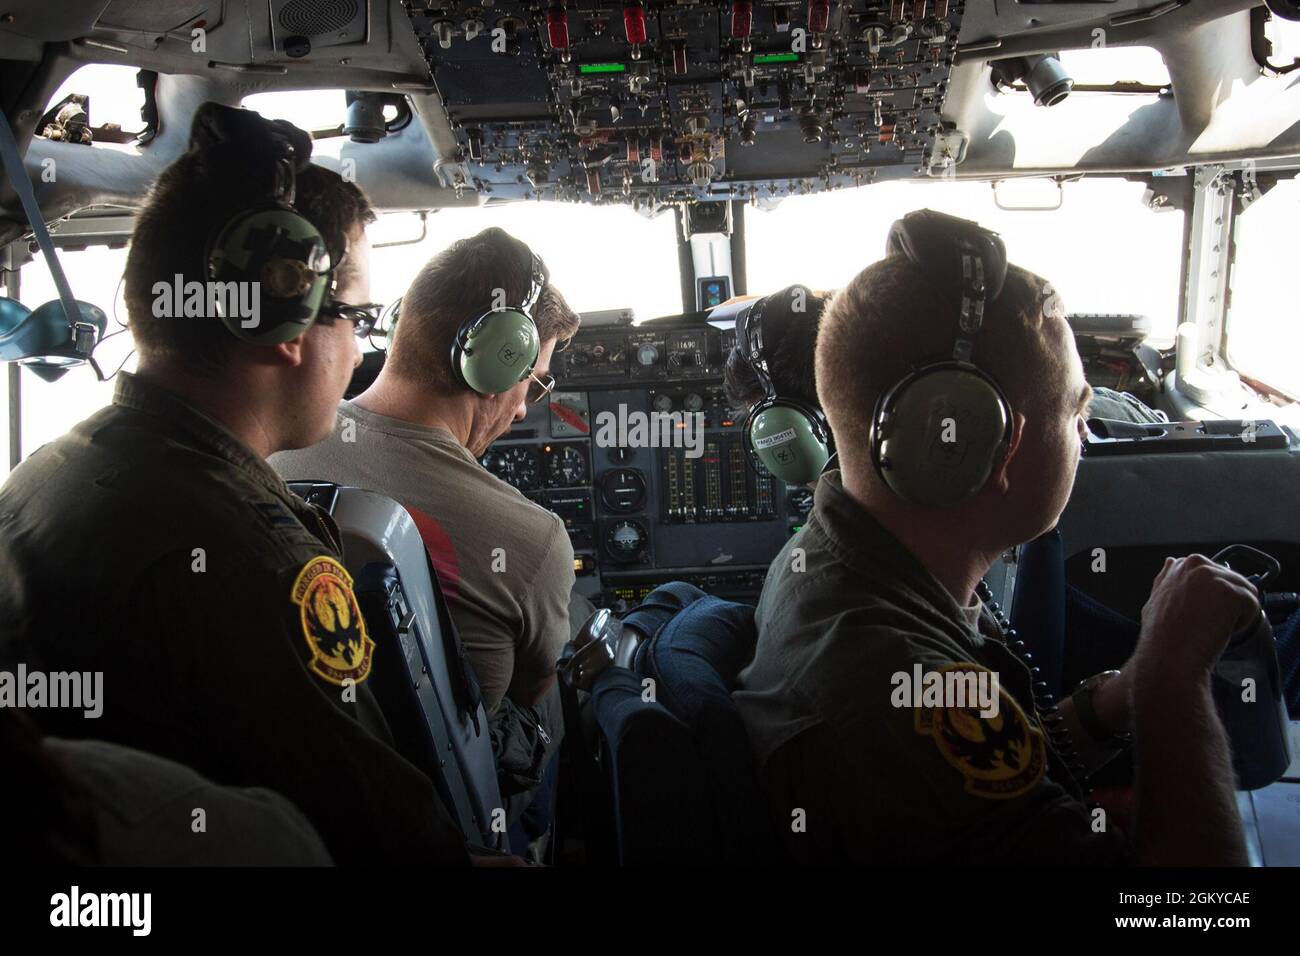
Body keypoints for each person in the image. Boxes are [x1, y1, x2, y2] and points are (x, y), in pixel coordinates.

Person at [0, 103, 473, 865]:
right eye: (359, 316)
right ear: (284, 326)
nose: (361, 353)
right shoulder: (252, 558)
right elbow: (390, 840)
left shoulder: (48, 471)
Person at [734, 209, 1255, 865]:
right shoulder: (892, 702)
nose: (1084, 440)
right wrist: (1174, 681)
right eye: (1077, 413)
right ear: (982, 444)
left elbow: (994, 758)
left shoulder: (841, 571)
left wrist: (1117, 697)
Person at [270, 227, 584, 837]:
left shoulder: (271, 455)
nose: (523, 410)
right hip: (442, 823)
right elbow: (528, 690)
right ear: (497, 362)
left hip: (296, 803)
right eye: (533, 380)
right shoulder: (533, 539)